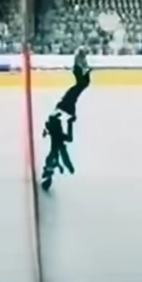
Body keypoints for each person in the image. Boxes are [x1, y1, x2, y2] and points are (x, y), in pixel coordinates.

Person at [41, 47, 91, 190]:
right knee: (81, 86)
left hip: (64, 109)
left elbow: (65, 146)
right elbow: (64, 151)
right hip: (64, 110)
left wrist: (69, 122)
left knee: (81, 86)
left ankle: (80, 65)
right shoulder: (59, 141)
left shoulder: (59, 142)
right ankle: (81, 65)